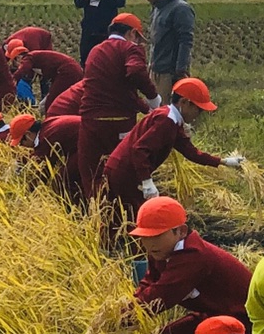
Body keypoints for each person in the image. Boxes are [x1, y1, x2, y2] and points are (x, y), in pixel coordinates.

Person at [98, 76, 242, 226]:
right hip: (124, 172)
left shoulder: (173, 120)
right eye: (198, 110)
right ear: (184, 102)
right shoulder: (165, 121)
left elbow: (191, 152)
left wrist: (224, 162)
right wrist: (147, 182)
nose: (198, 115)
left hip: (126, 170)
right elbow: (139, 150)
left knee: (123, 219)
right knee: (140, 219)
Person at [129, 196, 252, 334]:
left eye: (157, 236)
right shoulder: (161, 250)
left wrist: (122, 317)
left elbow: (161, 295)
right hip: (209, 316)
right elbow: (150, 281)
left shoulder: (194, 257)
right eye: (145, 237)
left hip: (239, 323)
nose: (149, 244)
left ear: (181, 231)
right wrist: (125, 307)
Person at [76, 12, 156, 198]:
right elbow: (135, 72)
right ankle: (124, 216)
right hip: (119, 121)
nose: (138, 42)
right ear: (131, 33)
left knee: (92, 174)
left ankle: (96, 217)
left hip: (90, 122)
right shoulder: (130, 49)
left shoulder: (95, 51)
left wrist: (146, 108)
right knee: (122, 173)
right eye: (138, 37)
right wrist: (154, 99)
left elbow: (119, 89)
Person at [136, 0, 196, 102]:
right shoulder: (157, 8)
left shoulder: (180, 8)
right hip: (156, 69)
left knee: (168, 113)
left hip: (169, 73)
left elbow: (185, 41)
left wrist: (180, 72)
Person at [7, 40, 83, 110]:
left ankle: (49, 119)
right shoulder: (36, 58)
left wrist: (13, 80)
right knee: (63, 97)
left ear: (18, 57)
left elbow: (23, 69)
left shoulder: (29, 57)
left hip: (67, 72)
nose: (17, 65)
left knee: (51, 101)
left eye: (14, 62)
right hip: (71, 71)